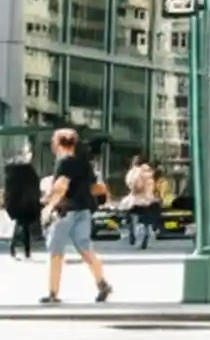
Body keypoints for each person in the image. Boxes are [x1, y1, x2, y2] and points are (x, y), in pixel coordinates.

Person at [40, 129, 111, 304]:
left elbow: (62, 187)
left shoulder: (63, 163)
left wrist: (48, 207)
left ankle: (53, 293)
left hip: (66, 212)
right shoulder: (84, 163)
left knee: (56, 252)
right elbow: (95, 187)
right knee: (86, 249)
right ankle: (102, 282)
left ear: (57, 143)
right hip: (84, 210)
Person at [4, 157, 40, 260]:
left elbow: (9, 192)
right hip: (28, 204)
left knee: (19, 226)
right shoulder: (30, 174)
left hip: (17, 204)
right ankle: (25, 251)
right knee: (25, 228)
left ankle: (14, 249)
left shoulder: (12, 176)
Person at [123, 156, 158, 249]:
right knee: (145, 220)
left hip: (137, 199)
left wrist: (133, 190)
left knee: (133, 218)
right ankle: (146, 234)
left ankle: (134, 235)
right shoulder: (149, 172)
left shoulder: (136, 172)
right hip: (148, 199)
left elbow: (135, 185)